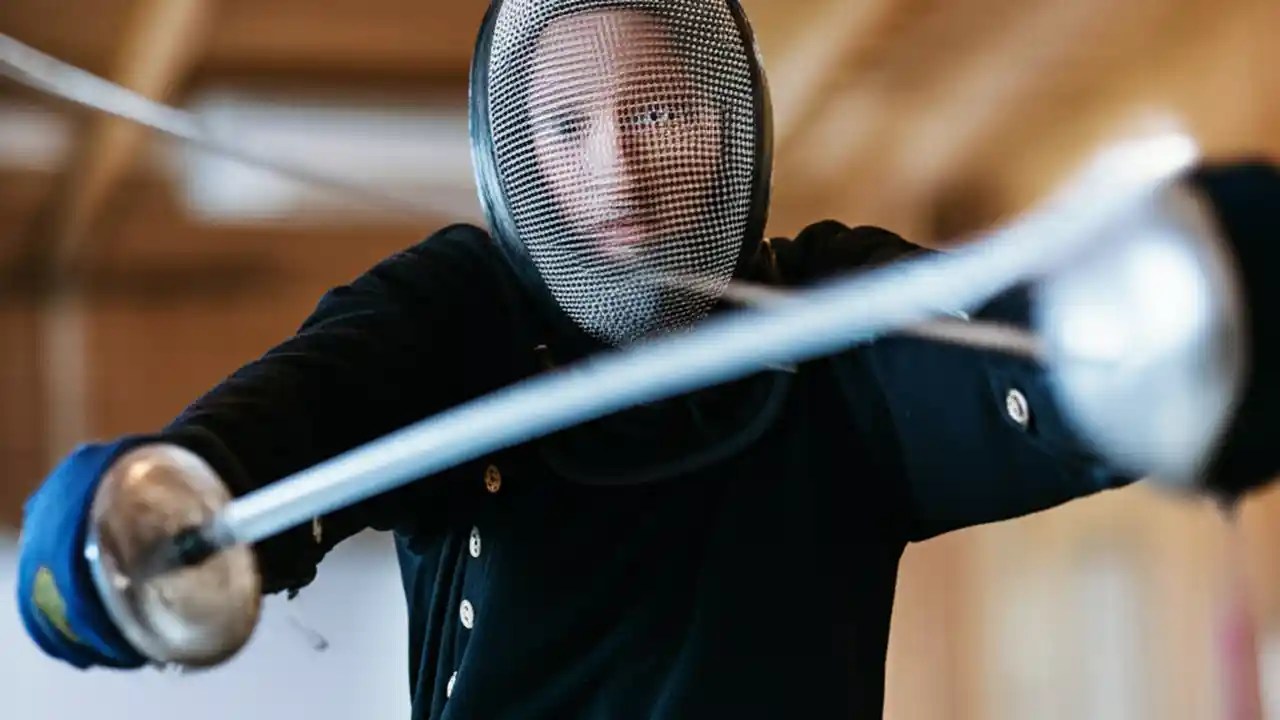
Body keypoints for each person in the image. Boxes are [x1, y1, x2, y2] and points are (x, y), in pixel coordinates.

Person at [14, 1, 1280, 718]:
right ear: (516, 150)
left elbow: (1027, 362)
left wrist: (1202, 318)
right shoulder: (457, 318)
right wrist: (161, 499)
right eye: (565, 124)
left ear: (725, 123)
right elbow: (299, 424)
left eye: (656, 110)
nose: (616, 167)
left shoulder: (826, 330)